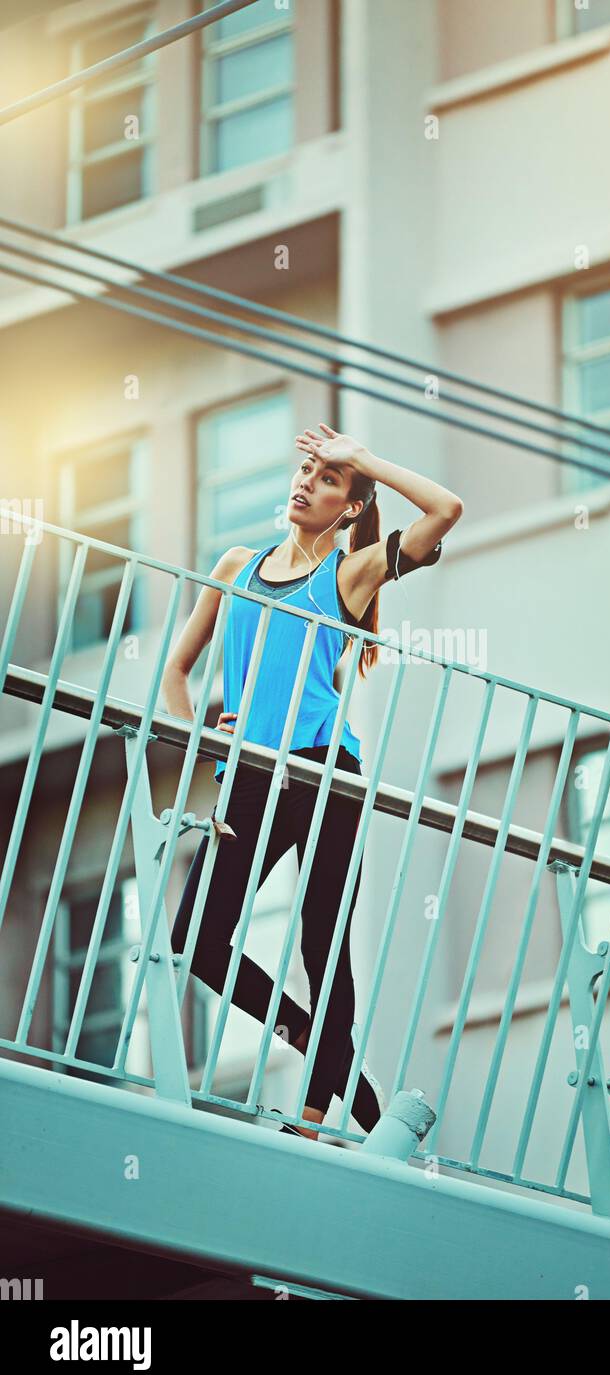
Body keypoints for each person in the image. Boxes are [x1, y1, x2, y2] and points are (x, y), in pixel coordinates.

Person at [162, 423, 464, 1140]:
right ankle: (331, 1058)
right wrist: (205, 738)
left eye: (327, 479)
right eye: (306, 470)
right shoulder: (237, 564)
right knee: (196, 936)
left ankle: (312, 1114)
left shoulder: (349, 574)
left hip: (327, 768)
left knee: (320, 944)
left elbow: (445, 510)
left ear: (351, 507)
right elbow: (176, 672)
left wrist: (363, 459)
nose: (307, 482)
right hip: (248, 774)